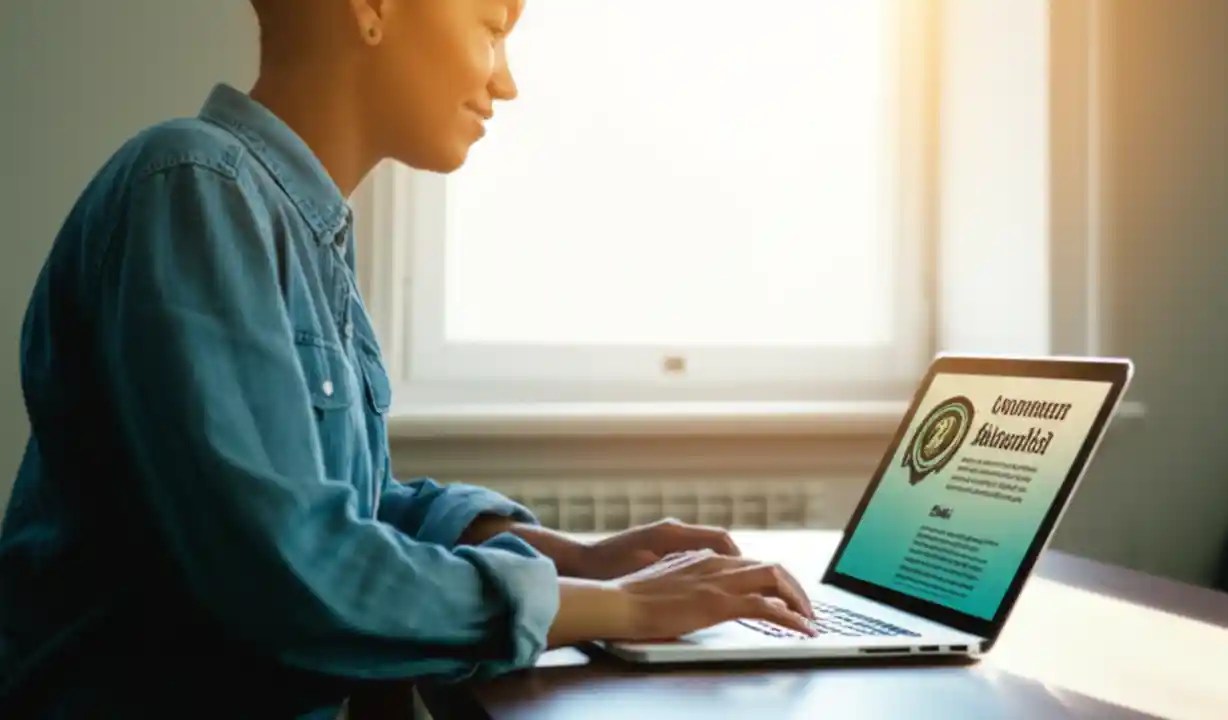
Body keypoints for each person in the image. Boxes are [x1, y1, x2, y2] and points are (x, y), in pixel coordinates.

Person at [0, 1, 816, 717]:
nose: (506, 82)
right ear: (372, 7)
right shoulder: (193, 190)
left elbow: (347, 506)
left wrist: (576, 556)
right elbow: (293, 571)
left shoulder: (295, 228)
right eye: (493, 28)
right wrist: (620, 609)